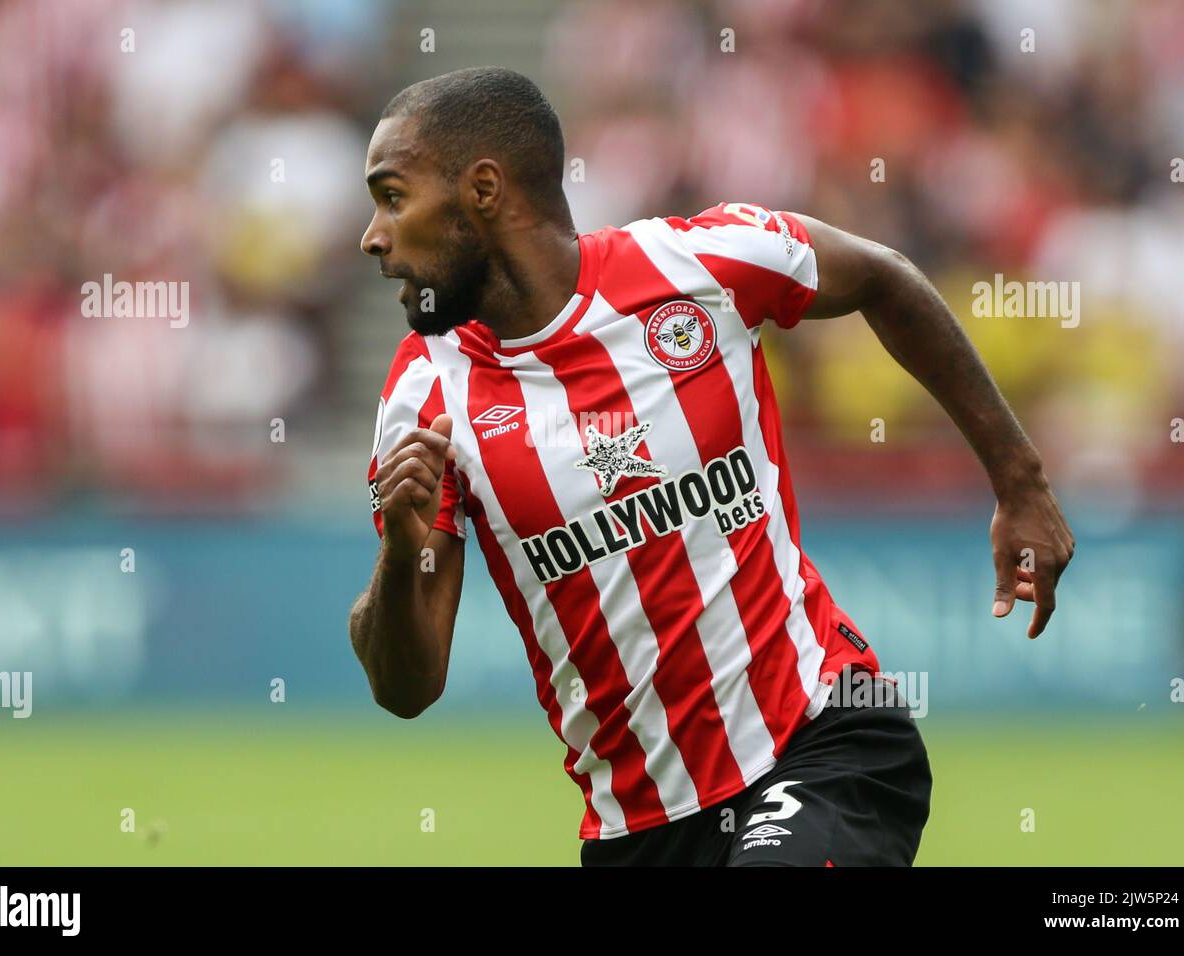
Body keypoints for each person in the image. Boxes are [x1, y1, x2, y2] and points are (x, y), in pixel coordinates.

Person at [348, 67, 1074, 866]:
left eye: (392, 196)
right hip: (639, 829)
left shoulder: (697, 266)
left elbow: (883, 278)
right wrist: (397, 551)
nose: (373, 236)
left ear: (482, 190)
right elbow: (406, 689)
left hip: (820, 738)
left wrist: (1021, 483)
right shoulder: (424, 394)